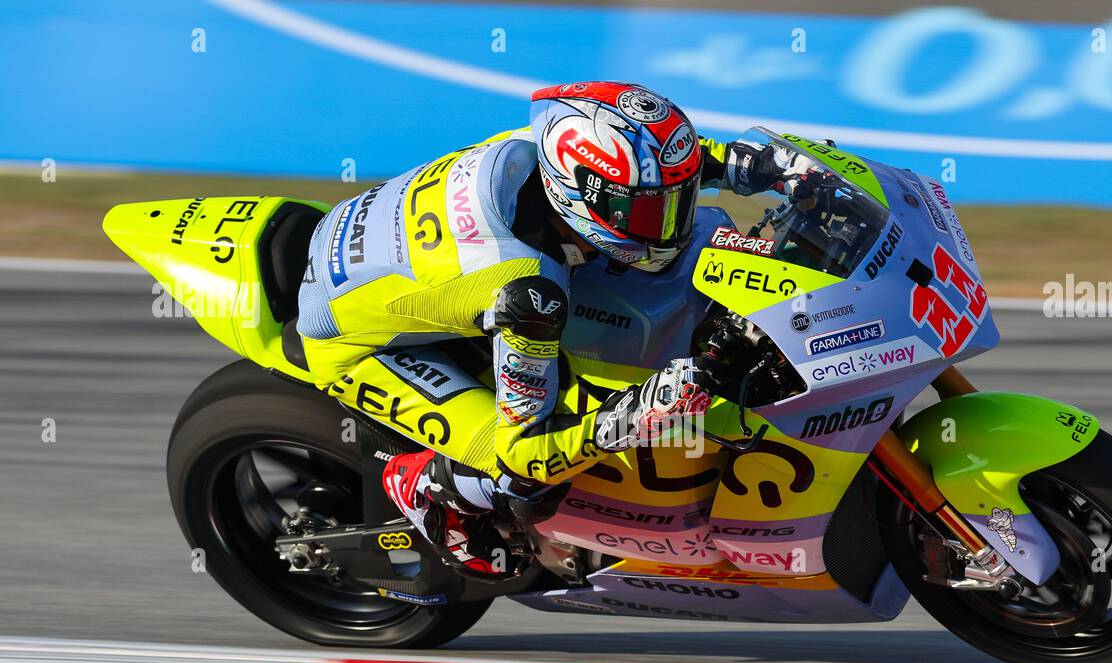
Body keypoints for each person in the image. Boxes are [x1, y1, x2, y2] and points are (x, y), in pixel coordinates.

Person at [295, 81, 800, 574]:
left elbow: (666, 163)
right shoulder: (529, 291)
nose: (673, 225)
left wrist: (764, 169)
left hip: (374, 253)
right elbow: (527, 454)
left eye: (679, 200)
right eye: (648, 212)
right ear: (584, 196)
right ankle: (428, 487)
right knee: (530, 484)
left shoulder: (546, 146)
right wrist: (643, 410)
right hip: (356, 345)